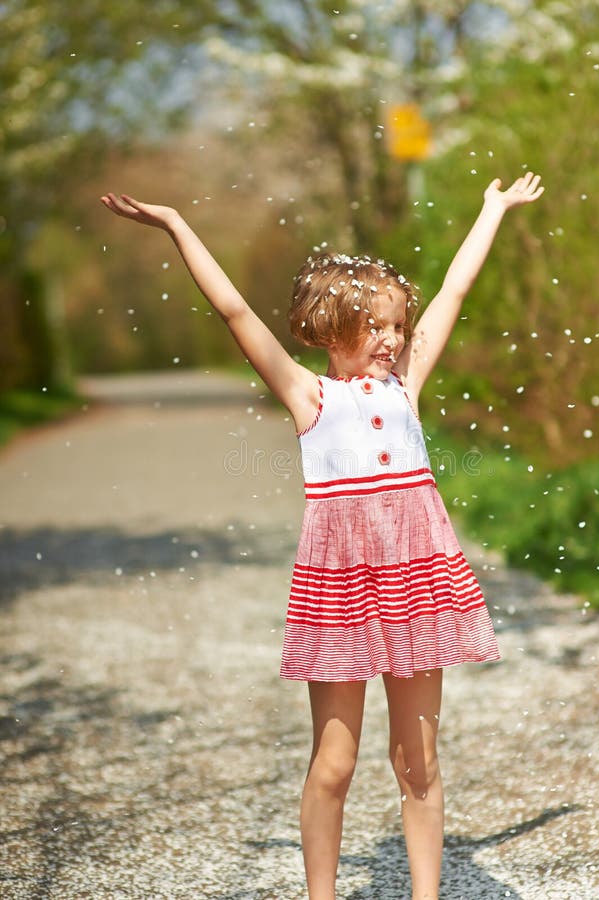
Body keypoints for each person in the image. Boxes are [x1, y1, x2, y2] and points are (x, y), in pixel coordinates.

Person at [101, 170, 544, 900]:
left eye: (399, 325)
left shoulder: (406, 385)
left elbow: (456, 293)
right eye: (378, 327)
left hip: (413, 582)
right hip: (341, 590)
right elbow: (235, 310)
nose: (395, 338)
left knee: (418, 762)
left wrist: (492, 210)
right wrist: (180, 225)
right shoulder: (311, 397)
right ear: (331, 331)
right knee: (334, 762)